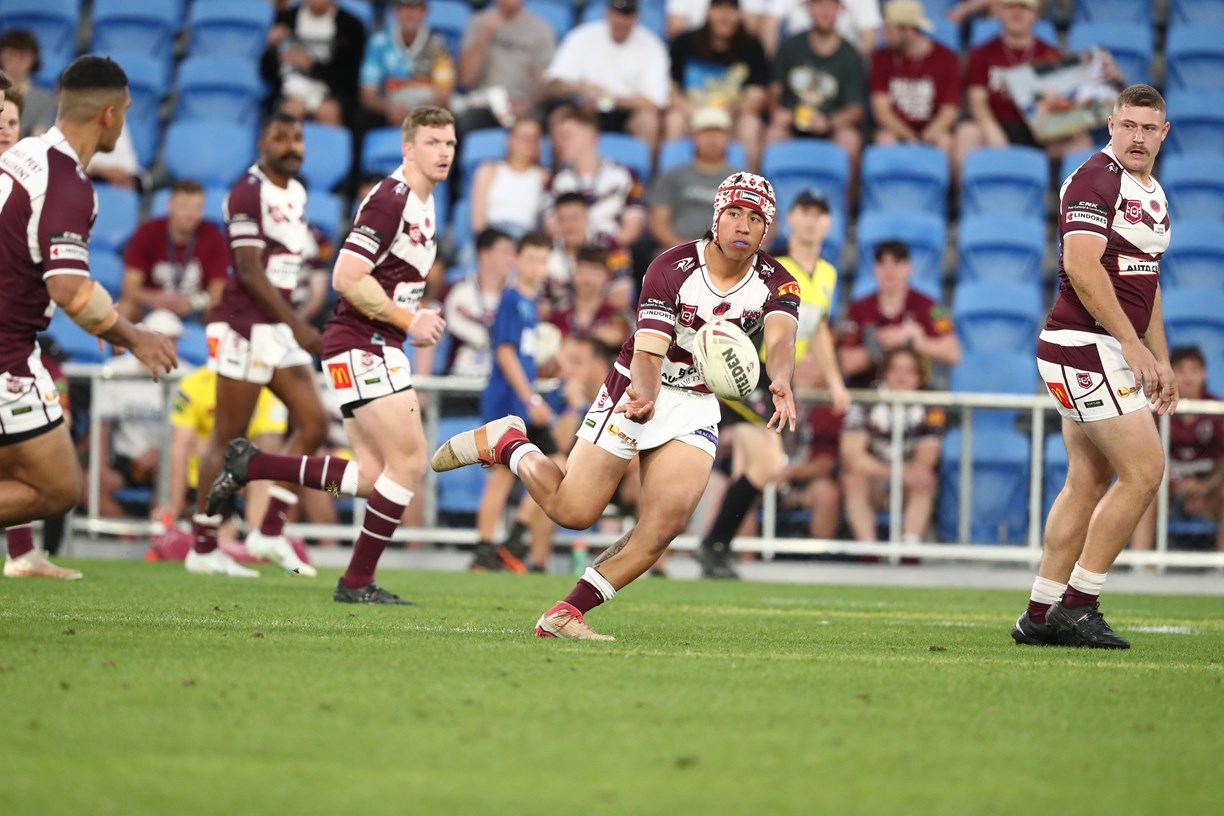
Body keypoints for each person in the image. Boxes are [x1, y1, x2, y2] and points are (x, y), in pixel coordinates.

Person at [432, 172, 802, 640]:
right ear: (716, 216)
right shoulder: (671, 267)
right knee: (573, 511)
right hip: (637, 387)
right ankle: (509, 442)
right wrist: (645, 395)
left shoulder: (778, 281)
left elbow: (782, 336)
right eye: (734, 213)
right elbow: (648, 349)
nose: (743, 226)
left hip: (696, 402)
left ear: (766, 229)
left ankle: (566, 612)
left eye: (755, 219)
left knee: (664, 523)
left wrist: (782, 380)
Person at [205, 106, 454, 605]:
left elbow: (381, 278)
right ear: (408, 148)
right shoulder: (392, 199)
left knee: (371, 476)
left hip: (374, 341)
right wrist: (409, 319)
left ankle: (254, 465)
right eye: (432, 142)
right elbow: (345, 277)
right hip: (365, 342)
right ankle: (357, 580)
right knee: (408, 465)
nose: (443, 152)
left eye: (449, 143)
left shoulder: (424, 203)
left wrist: (408, 311)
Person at [1014, 84, 1175, 650]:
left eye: (1148, 128)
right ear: (1110, 125)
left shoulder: (1151, 191)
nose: (1137, 136)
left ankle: (1039, 613)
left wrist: (1161, 356)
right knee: (1145, 470)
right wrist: (1132, 346)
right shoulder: (1095, 179)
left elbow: (1144, 280)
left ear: (1164, 133)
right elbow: (1082, 267)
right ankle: (1079, 606)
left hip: (1104, 346)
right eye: (1128, 125)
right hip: (1082, 344)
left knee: (1086, 482)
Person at [0, 57, 178, 538]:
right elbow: (67, 288)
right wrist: (131, 335)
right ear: (109, 115)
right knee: (58, 488)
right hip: (7, 355)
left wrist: (99, 314)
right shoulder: (68, 182)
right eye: (125, 111)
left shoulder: (25, 153)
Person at [190, 114, 326, 579]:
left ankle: (268, 531)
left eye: (297, 138)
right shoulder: (246, 191)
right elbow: (248, 271)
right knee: (228, 436)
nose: (291, 146)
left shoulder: (298, 191)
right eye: (280, 137)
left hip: (278, 327)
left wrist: (291, 325)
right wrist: (300, 326)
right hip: (246, 327)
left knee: (313, 423)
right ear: (261, 142)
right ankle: (203, 546)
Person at [695, 190, 849, 577]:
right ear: (791, 219)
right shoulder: (771, 267)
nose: (812, 221)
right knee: (768, 462)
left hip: (772, 379)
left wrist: (834, 381)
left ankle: (716, 547)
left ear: (829, 223)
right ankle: (714, 543)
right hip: (748, 373)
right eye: (805, 212)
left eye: (820, 214)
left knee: (751, 467)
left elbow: (819, 329)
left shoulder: (827, 274)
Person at [470, 232, 556, 571]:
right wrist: (531, 397)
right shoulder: (511, 298)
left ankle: (510, 539)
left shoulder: (530, 302)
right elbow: (505, 353)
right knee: (504, 475)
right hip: (509, 400)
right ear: (517, 261)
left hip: (520, 401)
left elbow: (520, 354)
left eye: (542, 259)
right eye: (531, 258)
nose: (537, 266)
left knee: (551, 466)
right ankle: (488, 547)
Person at [955, 0, 1091, 165]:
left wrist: (1068, 121)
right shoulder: (982, 53)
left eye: (1025, 8)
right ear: (999, 12)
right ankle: (968, 190)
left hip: (1039, 131)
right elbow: (976, 100)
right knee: (967, 133)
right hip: (997, 123)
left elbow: (1064, 101)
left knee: (1081, 142)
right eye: (1010, 6)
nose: (1017, 13)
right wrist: (990, 129)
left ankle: (1057, 186)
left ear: (1035, 15)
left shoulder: (1051, 54)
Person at [839, 346, 943, 543]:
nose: (901, 377)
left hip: (908, 484)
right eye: (895, 369)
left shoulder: (932, 404)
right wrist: (896, 472)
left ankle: (909, 546)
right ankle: (868, 548)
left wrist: (905, 474)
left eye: (909, 370)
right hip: (875, 482)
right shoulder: (865, 400)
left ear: (920, 376)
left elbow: (926, 459)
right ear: (885, 372)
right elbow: (853, 456)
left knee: (925, 479)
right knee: (853, 480)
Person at [1132, 347, 1224, 557]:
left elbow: (1222, 462)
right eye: (1180, 370)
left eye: (1194, 370)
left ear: (1204, 374)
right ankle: (1139, 566)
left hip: (1209, 492)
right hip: (1169, 490)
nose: (1188, 376)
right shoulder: (1157, 410)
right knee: (1146, 493)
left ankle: (1221, 566)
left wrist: (1204, 487)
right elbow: (1146, 458)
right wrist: (1178, 483)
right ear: (1170, 374)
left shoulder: (1218, 411)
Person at [543, 0, 670, 151]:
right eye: (617, 14)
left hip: (627, 112)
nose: (621, 21)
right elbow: (553, 84)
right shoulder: (583, 36)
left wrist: (610, 99)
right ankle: (562, 172)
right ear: (607, 13)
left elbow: (655, 102)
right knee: (562, 116)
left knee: (648, 121)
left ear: (636, 17)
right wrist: (583, 88)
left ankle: (647, 172)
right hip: (585, 107)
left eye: (627, 16)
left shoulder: (651, 45)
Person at [836, 240, 961, 388]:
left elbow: (953, 353)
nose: (890, 271)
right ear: (874, 269)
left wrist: (916, 341)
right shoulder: (857, 308)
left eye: (897, 263)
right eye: (883, 264)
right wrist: (879, 344)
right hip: (868, 393)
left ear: (909, 267)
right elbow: (846, 364)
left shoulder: (929, 305)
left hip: (914, 394)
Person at [666, 0, 770, 171]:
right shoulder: (684, 42)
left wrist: (733, 109)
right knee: (673, 120)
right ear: (709, 12)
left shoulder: (752, 46)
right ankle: (673, 183)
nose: (725, 17)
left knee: (751, 124)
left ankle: (748, 186)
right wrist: (689, 109)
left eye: (731, 11)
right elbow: (671, 89)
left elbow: (756, 95)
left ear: (739, 14)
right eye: (720, 10)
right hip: (692, 113)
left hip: (732, 115)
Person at [767, 0, 866, 179]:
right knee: (772, 134)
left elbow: (856, 109)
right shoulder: (790, 46)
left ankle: (845, 205)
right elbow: (774, 88)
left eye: (831, 6)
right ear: (808, 8)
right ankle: (763, 202)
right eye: (819, 5)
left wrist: (829, 122)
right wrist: (778, 111)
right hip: (792, 123)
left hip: (830, 126)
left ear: (840, 10)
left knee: (850, 140)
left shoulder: (850, 55)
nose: (825, 12)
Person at [119, 179, 230, 322]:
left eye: (197, 208)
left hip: (193, 309)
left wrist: (192, 302)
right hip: (152, 307)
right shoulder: (147, 232)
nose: (191, 214)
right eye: (184, 207)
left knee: (222, 312)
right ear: (169, 205)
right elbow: (129, 287)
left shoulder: (213, 237)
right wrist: (154, 298)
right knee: (123, 308)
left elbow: (218, 289)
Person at [547, 106, 647, 252]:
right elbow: (551, 226)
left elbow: (631, 230)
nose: (560, 142)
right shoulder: (556, 179)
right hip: (569, 255)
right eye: (558, 137)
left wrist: (602, 250)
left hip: (612, 256)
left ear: (591, 135)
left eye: (567, 136)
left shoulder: (625, 175)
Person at [868, 1, 959, 158]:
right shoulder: (881, 58)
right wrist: (910, 137)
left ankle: (942, 182)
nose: (884, 35)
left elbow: (949, 112)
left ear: (909, 30)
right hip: (895, 129)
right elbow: (882, 111)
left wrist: (924, 138)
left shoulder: (946, 59)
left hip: (932, 130)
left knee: (945, 141)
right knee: (884, 139)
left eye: (889, 30)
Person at [455, 0, 556, 132]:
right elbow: (465, 79)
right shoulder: (478, 22)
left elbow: (546, 83)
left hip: (524, 104)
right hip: (485, 102)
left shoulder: (541, 29)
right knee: (463, 124)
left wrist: (527, 105)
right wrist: (484, 36)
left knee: (544, 125)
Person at [261, 0, 366, 127]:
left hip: (330, 93)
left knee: (328, 112)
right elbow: (266, 73)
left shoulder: (351, 26)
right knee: (291, 111)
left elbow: (350, 79)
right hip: (289, 92)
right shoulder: (286, 19)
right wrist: (272, 48)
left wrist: (312, 65)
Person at [649, 107, 738, 247]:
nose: (711, 138)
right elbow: (658, 223)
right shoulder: (672, 176)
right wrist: (685, 249)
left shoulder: (745, 180)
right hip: (680, 251)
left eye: (718, 132)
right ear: (692, 136)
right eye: (704, 132)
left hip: (731, 252)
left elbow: (767, 222)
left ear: (730, 137)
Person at [359, 0, 455, 128]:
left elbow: (444, 93)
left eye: (415, 7)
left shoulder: (438, 43)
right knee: (361, 120)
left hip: (426, 108)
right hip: (389, 109)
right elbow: (367, 94)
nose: (409, 13)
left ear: (425, 12)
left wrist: (414, 112)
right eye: (403, 7)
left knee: (451, 122)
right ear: (394, 12)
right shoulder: (378, 42)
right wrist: (389, 109)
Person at [545, 190, 634, 317]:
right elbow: (543, 304)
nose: (569, 225)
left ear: (587, 217)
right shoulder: (547, 250)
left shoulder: (611, 246)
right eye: (562, 219)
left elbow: (621, 297)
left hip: (605, 320)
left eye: (574, 218)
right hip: (561, 323)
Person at [441, 227, 514, 378]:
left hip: (502, 381)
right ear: (485, 255)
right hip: (459, 379)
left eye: (512, 253)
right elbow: (430, 336)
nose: (511, 259)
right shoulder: (455, 290)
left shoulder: (518, 294)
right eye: (505, 253)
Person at [469, 117, 549, 238]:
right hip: (491, 235)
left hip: (523, 238)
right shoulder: (489, 169)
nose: (529, 143)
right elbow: (477, 221)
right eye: (524, 138)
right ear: (509, 140)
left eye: (534, 139)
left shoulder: (543, 177)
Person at [549, 244, 632, 350]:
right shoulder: (558, 314)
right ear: (573, 274)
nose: (587, 278)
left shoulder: (616, 314)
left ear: (607, 276)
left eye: (594, 272)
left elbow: (620, 337)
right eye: (582, 270)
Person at [751, 0, 883, 58]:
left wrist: (847, 65)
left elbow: (869, 39)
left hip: (841, 67)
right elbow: (768, 27)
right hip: (798, 64)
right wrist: (780, 62)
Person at [0, 30, 52, 137]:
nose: (16, 62)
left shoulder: (43, 99)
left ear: (33, 59)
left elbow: (37, 140)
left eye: (22, 57)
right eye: (10, 55)